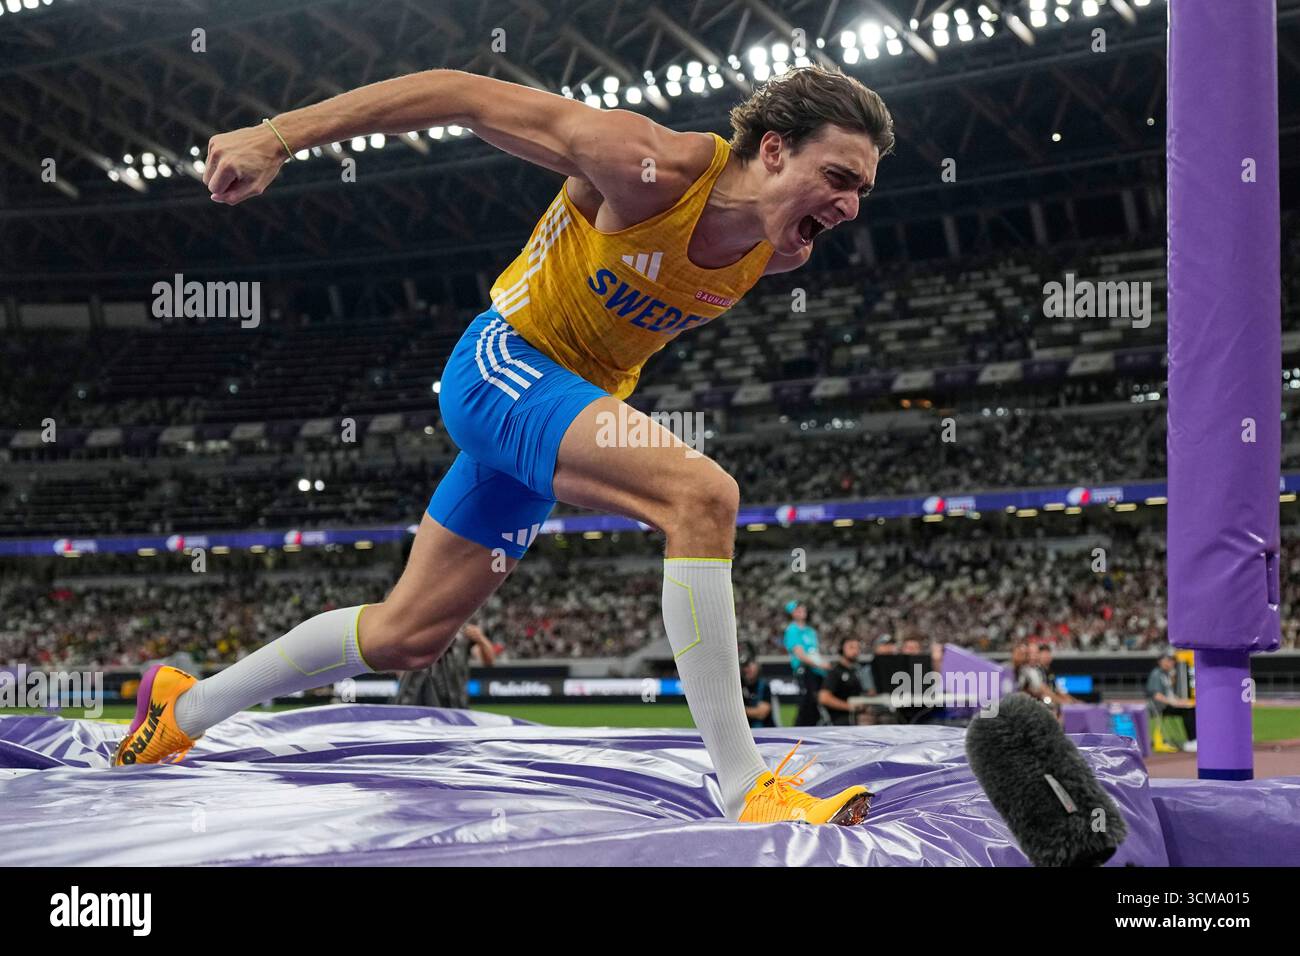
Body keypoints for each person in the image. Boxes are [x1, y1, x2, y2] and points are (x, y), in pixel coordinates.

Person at [112, 61, 891, 826]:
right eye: (839, 175)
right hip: (501, 367)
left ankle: (187, 707)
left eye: (862, 189)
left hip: (556, 406)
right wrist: (279, 136)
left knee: (408, 636)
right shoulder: (645, 164)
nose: (852, 205)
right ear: (775, 149)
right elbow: (462, 93)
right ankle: (746, 787)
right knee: (703, 495)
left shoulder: (783, 246)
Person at [393, 623, 495, 710]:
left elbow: (489, 661)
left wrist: (481, 639)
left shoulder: (464, 632)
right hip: (417, 700)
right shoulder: (415, 628)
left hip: (454, 701)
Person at [783, 600, 831, 727]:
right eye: (797, 609)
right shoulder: (792, 630)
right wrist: (821, 665)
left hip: (816, 670)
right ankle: (800, 731)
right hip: (804, 670)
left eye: (802, 608)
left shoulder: (811, 631)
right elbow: (800, 654)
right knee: (807, 702)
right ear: (792, 614)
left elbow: (815, 651)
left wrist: (823, 664)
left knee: (816, 703)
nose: (801, 611)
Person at [1146, 652, 1197, 753]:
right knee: (1188, 711)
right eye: (1168, 661)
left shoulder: (1167, 674)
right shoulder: (1157, 674)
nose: (1171, 663)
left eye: (1172, 661)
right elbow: (1157, 695)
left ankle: (1193, 739)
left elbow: (1170, 694)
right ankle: (1192, 740)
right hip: (1160, 707)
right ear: (1161, 662)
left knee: (1190, 707)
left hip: (1167, 704)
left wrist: (1180, 701)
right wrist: (1173, 703)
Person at [818, 637, 866, 726]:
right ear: (841, 649)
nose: (855, 651)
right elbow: (824, 698)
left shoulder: (858, 671)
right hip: (840, 721)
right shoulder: (835, 672)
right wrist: (849, 707)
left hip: (857, 719)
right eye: (851, 647)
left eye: (857, 647)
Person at [739, 642, 775, 729]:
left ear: (756, 665)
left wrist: (738, 711)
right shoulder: (739, 686)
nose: (747, 669)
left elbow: (761, 713)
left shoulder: (764, 686)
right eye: (744, 666)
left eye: (750, 665)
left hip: (764, 730)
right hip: (746, 731)